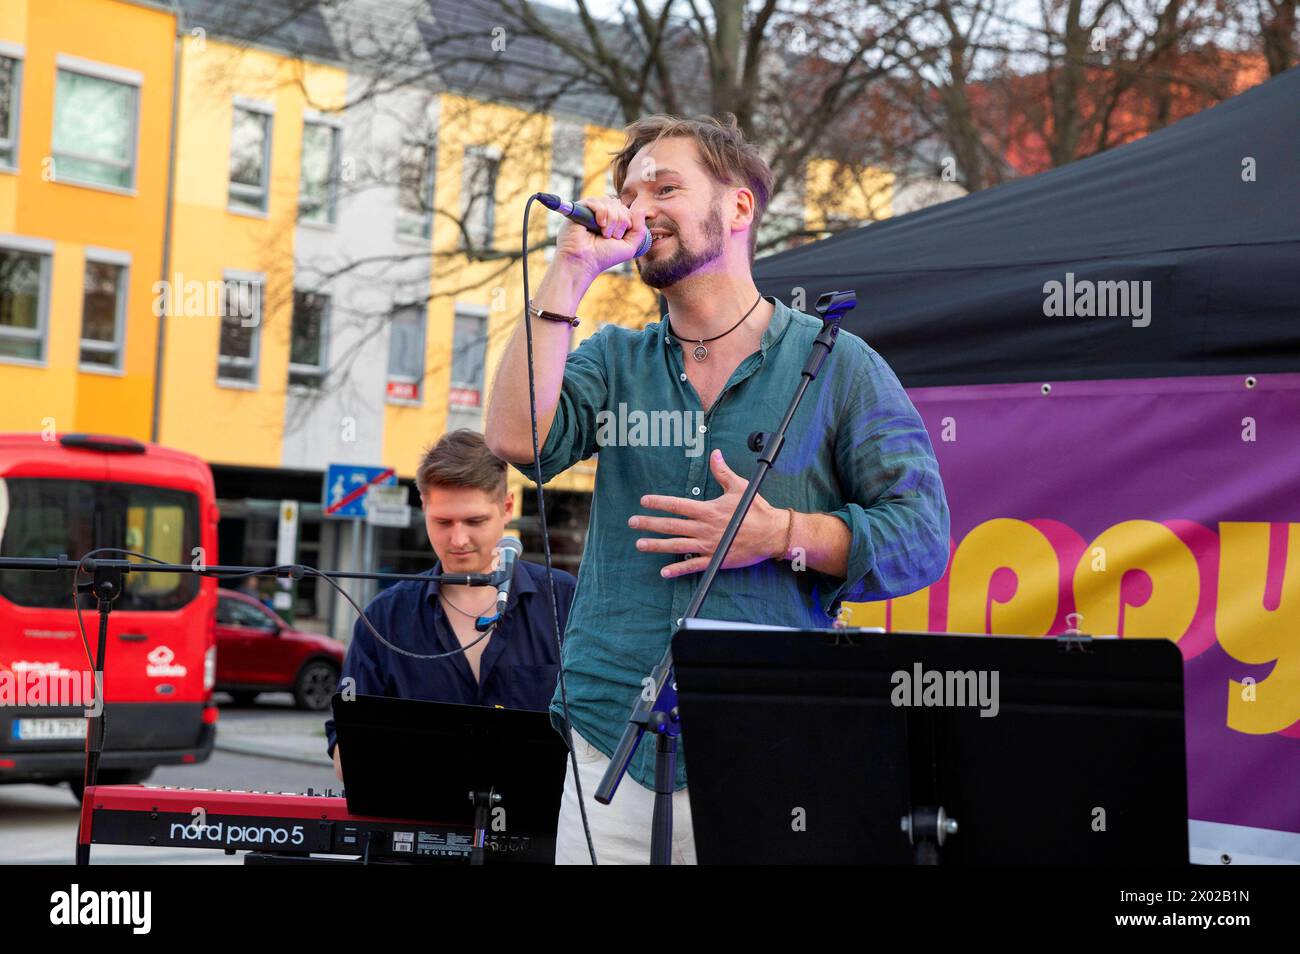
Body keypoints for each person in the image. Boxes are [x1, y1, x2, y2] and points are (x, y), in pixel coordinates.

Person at [485, 113, 950, 864]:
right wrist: (568, 272)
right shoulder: (614, 358)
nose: (639, 208)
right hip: (609, 740)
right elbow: (515, 439)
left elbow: (923, 537)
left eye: (666, 186)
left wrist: (785, 535)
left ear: (737, 209)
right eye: (629, 192)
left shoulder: (840, 363)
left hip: (774, 742)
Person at [324, 429, 577, 781]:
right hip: (418, 824)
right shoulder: (385, 617)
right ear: (424, 507)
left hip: (542, 829)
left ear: (506, 508)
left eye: (475, 521)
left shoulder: (563, 600)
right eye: (442, 522)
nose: (458, 540)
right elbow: (345, 754)